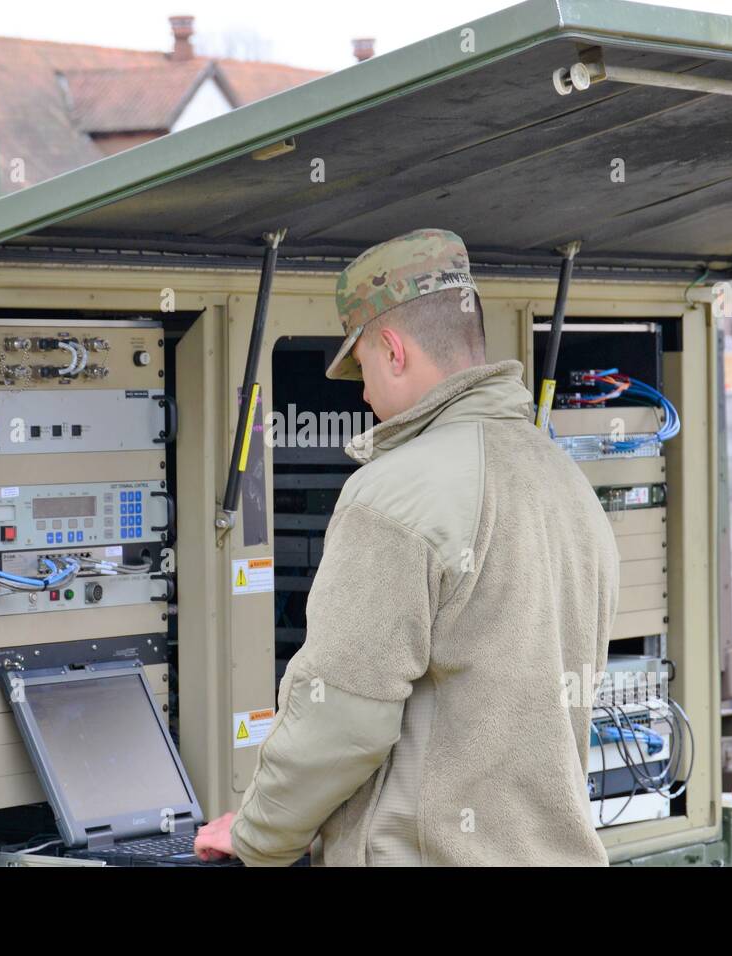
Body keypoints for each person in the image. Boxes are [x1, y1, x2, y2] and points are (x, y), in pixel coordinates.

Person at [192, 227, 619, 865]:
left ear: (393, 348)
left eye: (361, 368)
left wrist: (257, 833)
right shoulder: (565, 479)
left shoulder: (393, 494)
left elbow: (341, 719)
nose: (363, 396)